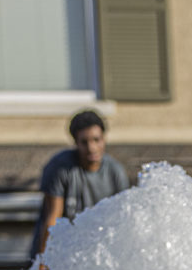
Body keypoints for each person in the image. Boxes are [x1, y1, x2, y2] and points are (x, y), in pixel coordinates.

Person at [32, 109, 130, 257]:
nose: (91, 148)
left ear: (104, 139)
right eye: (84, 142)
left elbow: (123, 220)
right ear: (75, 143)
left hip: (97, 252)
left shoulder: (116, 172)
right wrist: (43, 262)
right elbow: (52, 218)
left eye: (96, 140)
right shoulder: (60, 168)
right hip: (61, 251)